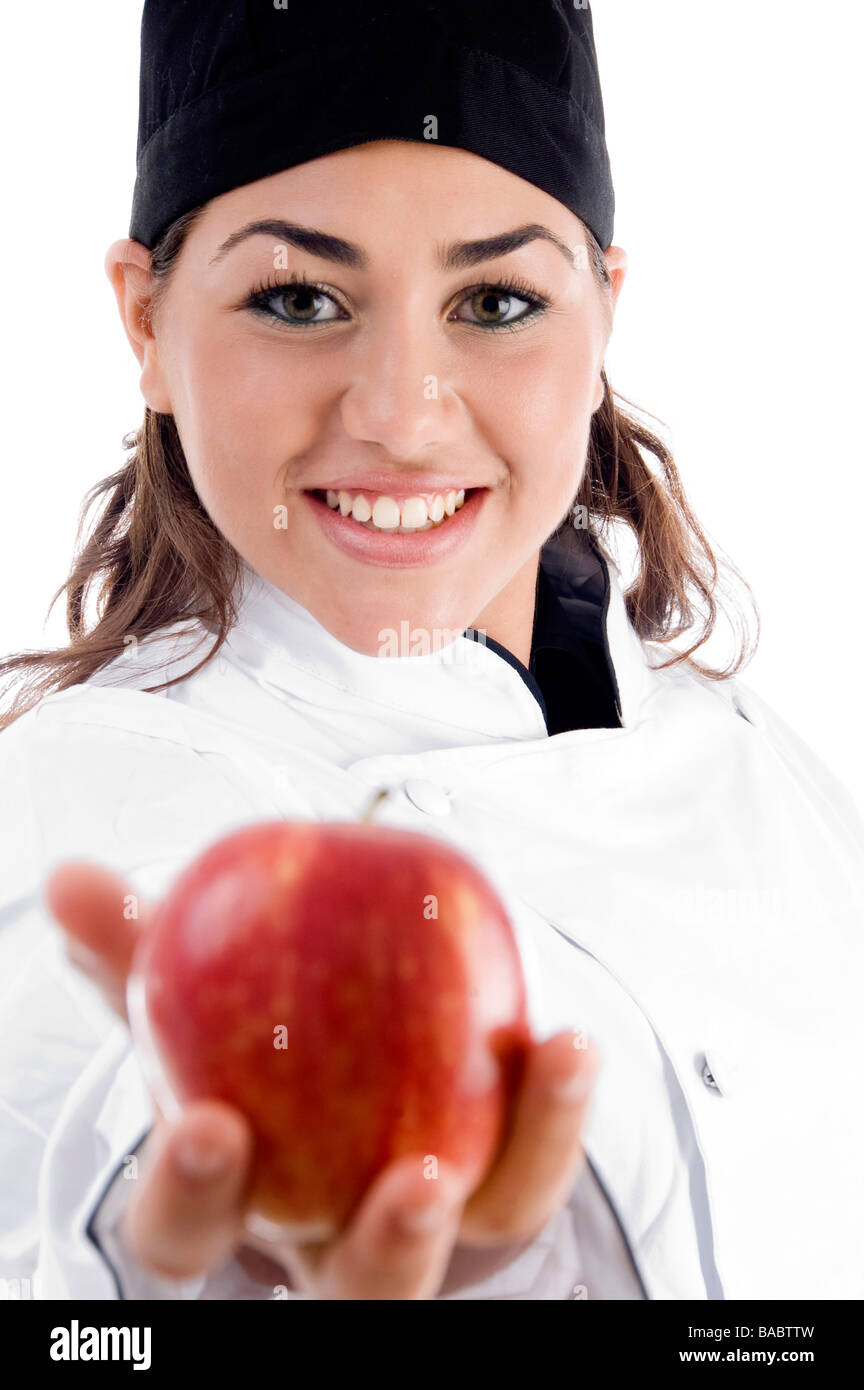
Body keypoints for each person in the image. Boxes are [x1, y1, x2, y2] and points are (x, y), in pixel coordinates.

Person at [0, 0, 861, 1302]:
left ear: (603, 317)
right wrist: (169, 1271)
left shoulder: (742, 742)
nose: (401, 414)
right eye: (298, 298)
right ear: (145, 326)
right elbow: (74, 1209)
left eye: (498, 299)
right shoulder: (94, 803)